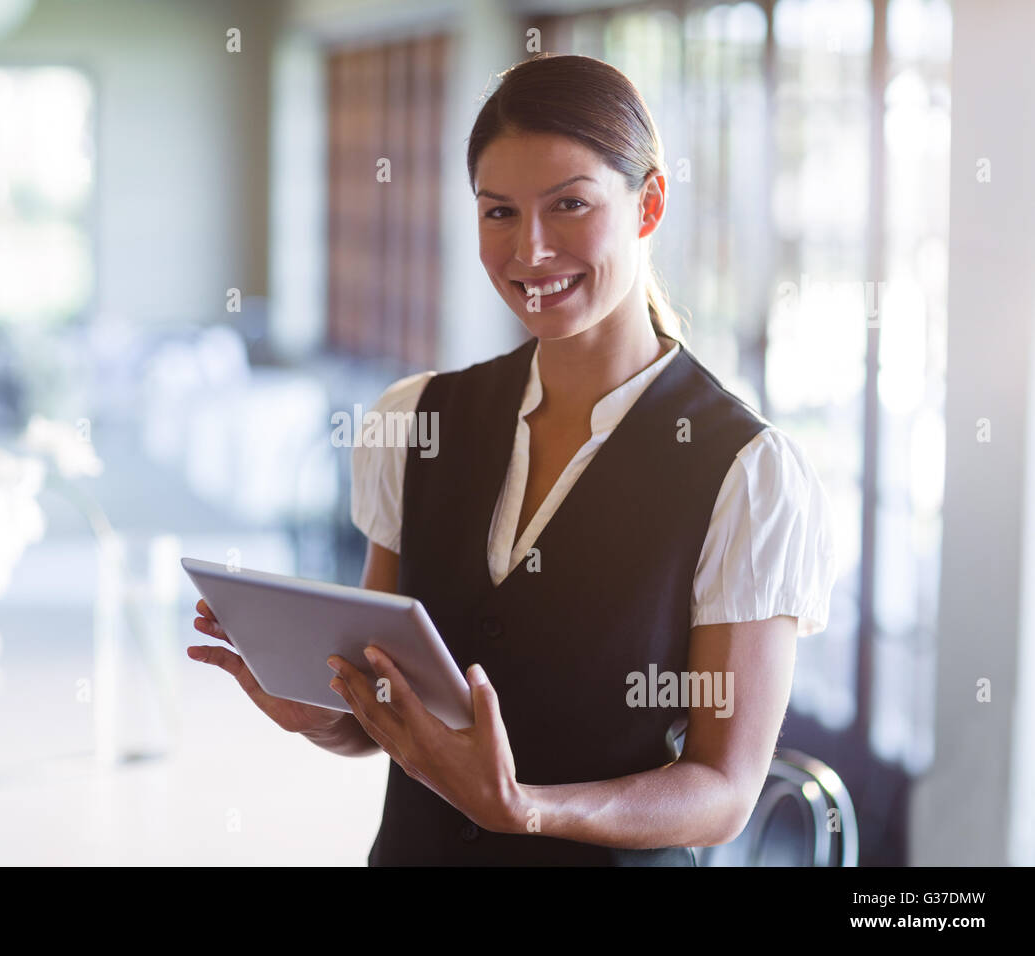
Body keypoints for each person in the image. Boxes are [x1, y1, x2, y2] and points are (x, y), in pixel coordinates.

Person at [187, 52, 837, 866]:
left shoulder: (747, 472)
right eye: (499, 213)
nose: (530, 250)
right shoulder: (416, 420)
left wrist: (527, 810)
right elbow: (384, 717)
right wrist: (322, 709)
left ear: (650, 203)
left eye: (570, 205)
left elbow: (722, 791)